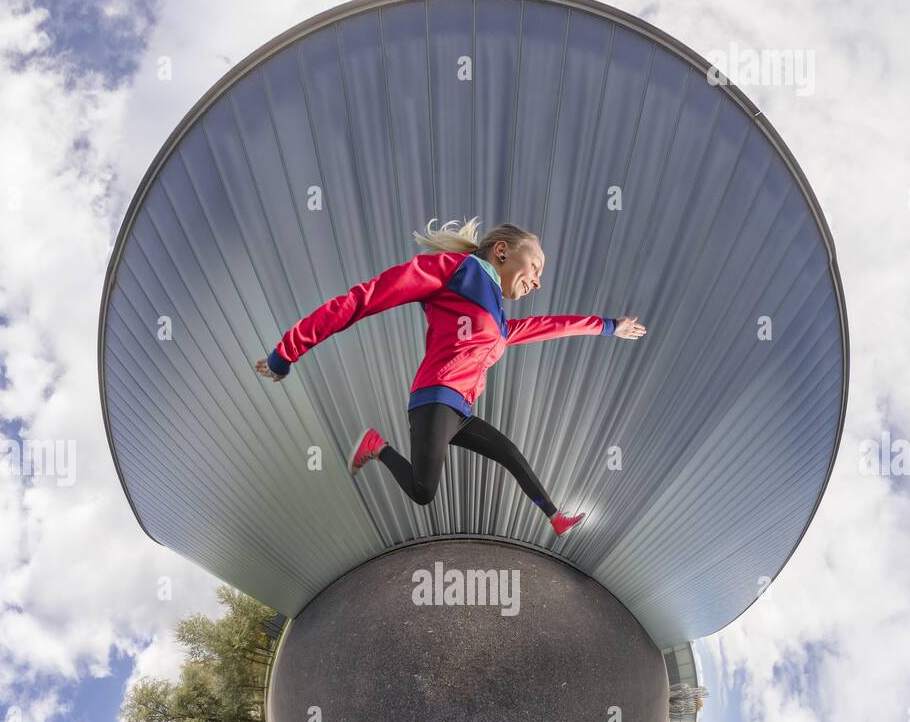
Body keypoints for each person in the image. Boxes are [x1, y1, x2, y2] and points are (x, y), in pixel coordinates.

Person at [255, 217, 646, 537]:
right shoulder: (454, 271)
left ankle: (555, 517)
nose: (538, 281)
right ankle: (378, 446)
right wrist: (286, 352)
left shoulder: (499, 321)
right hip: (435, 397)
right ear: (502, 250)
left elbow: (551, 326)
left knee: (509, 453)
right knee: (424, 493)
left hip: (460, 409)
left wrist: (610, 327)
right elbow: (363, 298)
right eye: (536, 267)